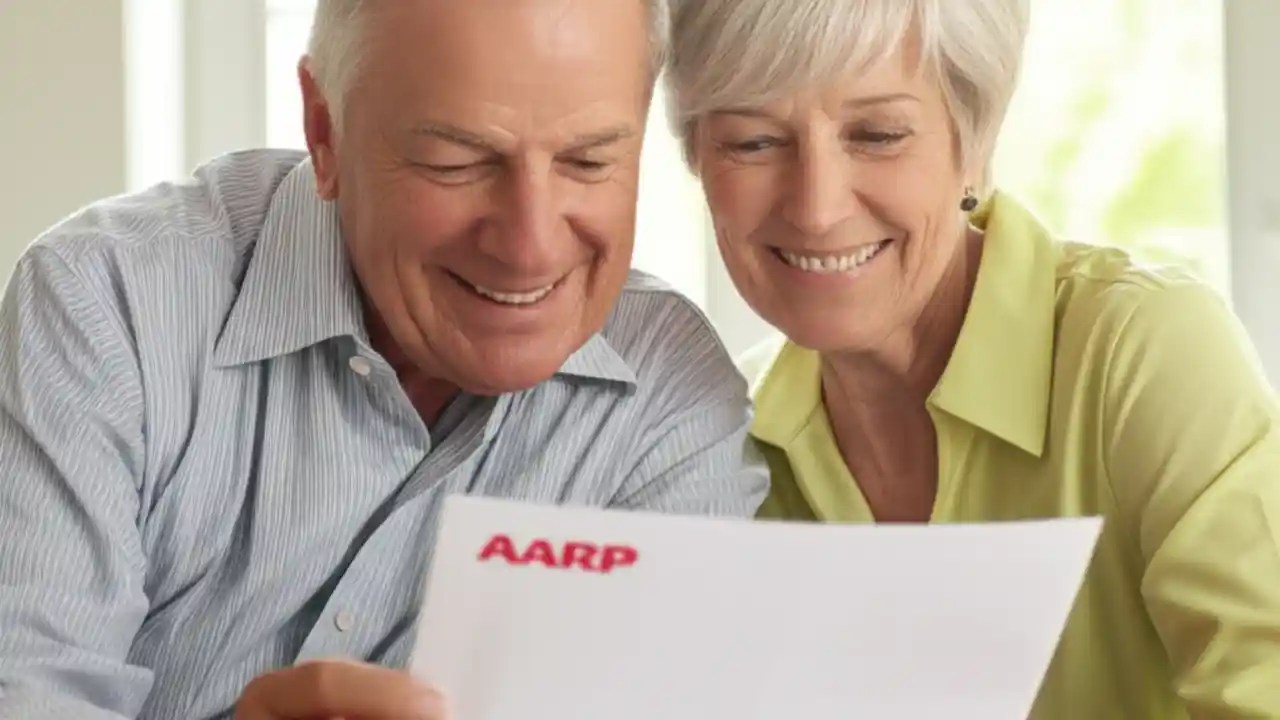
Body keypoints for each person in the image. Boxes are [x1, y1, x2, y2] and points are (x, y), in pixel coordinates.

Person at [0, 0, 769, 717]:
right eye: (456, 161)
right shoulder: (108, 308)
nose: (530, 247)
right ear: (324, 129)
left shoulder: (668, 395)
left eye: (588, 162)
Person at [666, 0, 1280, 717]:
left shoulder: (1142, 348)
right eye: (754, 142)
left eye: (877, 135)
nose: (816, 209)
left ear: (974, 140)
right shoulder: (710, 444)